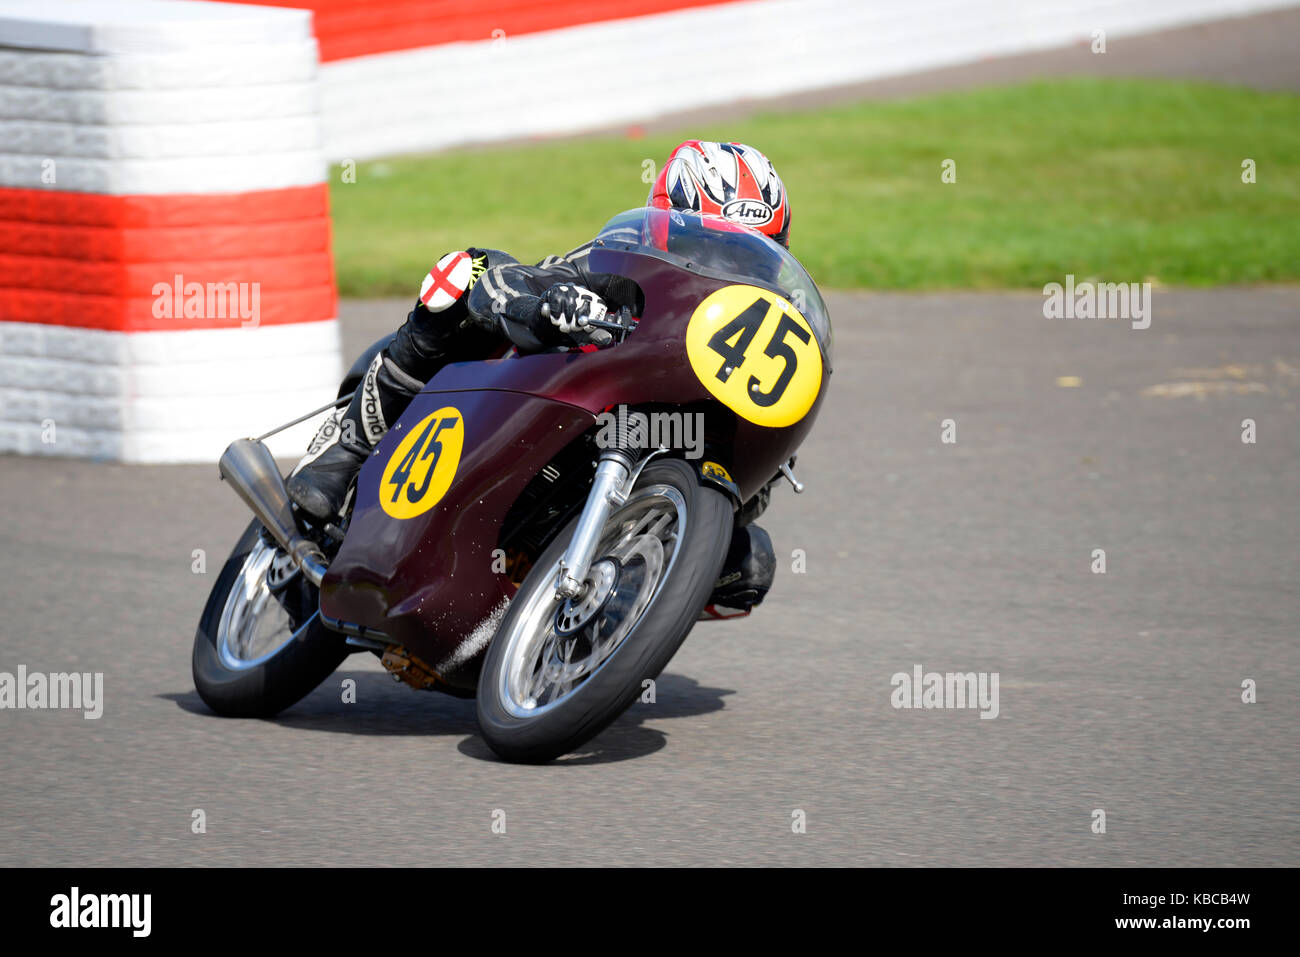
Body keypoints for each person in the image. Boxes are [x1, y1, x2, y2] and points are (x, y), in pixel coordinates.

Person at [287, 140, 791, 612]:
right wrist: (547, 306)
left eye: (755, 251)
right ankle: (346, 452)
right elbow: (510, 282)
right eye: (718, 246)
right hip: (539, 404)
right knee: (467, 269)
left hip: (624, 473)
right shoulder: (621, 261)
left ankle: (599, 619)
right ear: (668, 223)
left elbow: (751, 492)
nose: (732, 268)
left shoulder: (757, 346)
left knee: (748, 560)